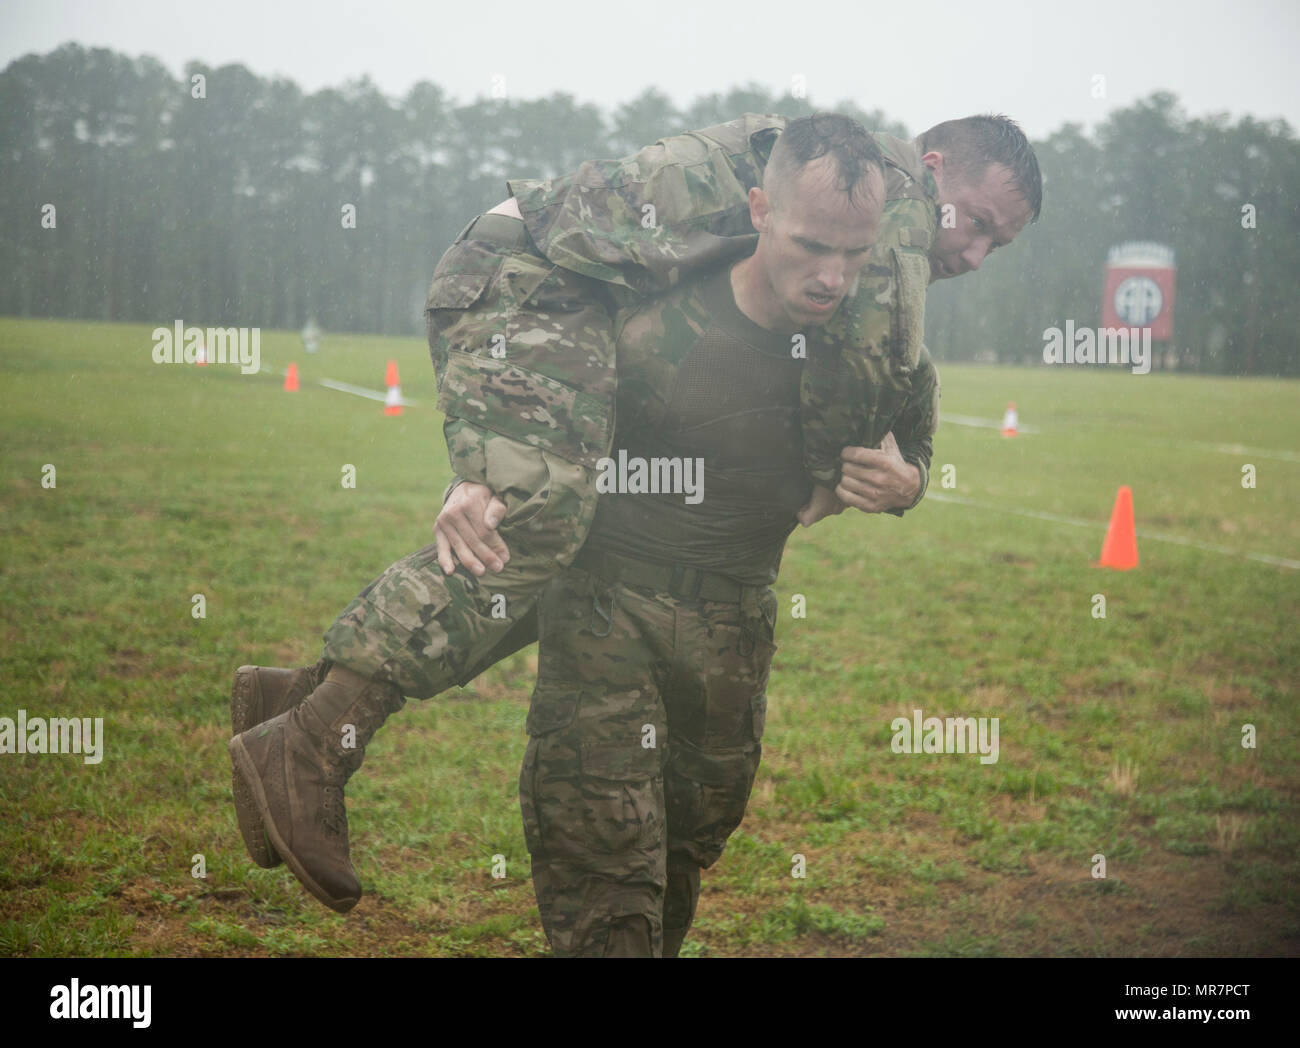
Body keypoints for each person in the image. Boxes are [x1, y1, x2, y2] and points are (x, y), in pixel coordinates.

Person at [228, 111, 1041, 918]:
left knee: (578, 534)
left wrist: (904, 472)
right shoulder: (884, 198)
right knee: (543, 509)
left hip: (564, 281)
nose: (972, 253)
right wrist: (481, 468)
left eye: (997, 245)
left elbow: (886, 378)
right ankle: (311, 745)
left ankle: (302, 700)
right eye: (974, 223)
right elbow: (874, 377)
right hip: (527, 275)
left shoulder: (833, 176)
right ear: (932, 169)